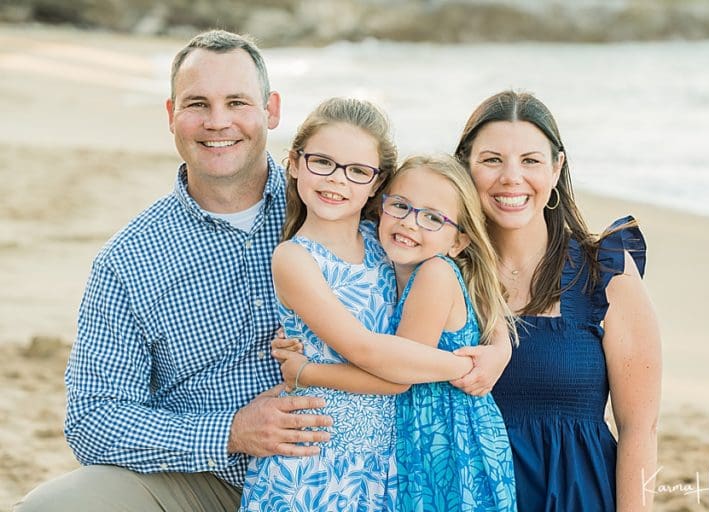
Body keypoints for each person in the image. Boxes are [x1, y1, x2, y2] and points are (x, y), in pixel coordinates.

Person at [14, 30, 334, 512]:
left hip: (350, 471)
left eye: (237, 102)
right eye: (197, 104)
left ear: (271, 109)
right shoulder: (129, 259)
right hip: (207, 485)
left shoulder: (334, 207)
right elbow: (93, 420)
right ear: (171, 116)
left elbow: (453, 257)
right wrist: (231, 432)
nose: (217, 122)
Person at [239, 102, 487, 511]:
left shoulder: (385, 242)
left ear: (377, 184)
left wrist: (498, 349)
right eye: (323, 162)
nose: (338, 180)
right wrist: (464, 366)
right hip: (315, 456)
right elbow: (378, 360)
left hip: (383, 461)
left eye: (357, 171)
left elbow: (457, 291)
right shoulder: (295, 259)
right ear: (295, 163)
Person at [454, 90, 662, 511]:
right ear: (465, 167)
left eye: (530, 160)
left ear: (556, 168)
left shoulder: (605, 271)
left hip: (576, 497)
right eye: (492, 160)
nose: (511, 177)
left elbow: (640, 429)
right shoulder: (441, 271)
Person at [274, 154, 519, 511]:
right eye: (401, 206)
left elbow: (396, 376)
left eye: (433, 218)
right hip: (426, 438)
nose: (409, 223)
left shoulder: (434, 273)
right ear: (382, 206)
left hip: (447, 441)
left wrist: (305, 371)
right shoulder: (386, 257)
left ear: (458, 242)